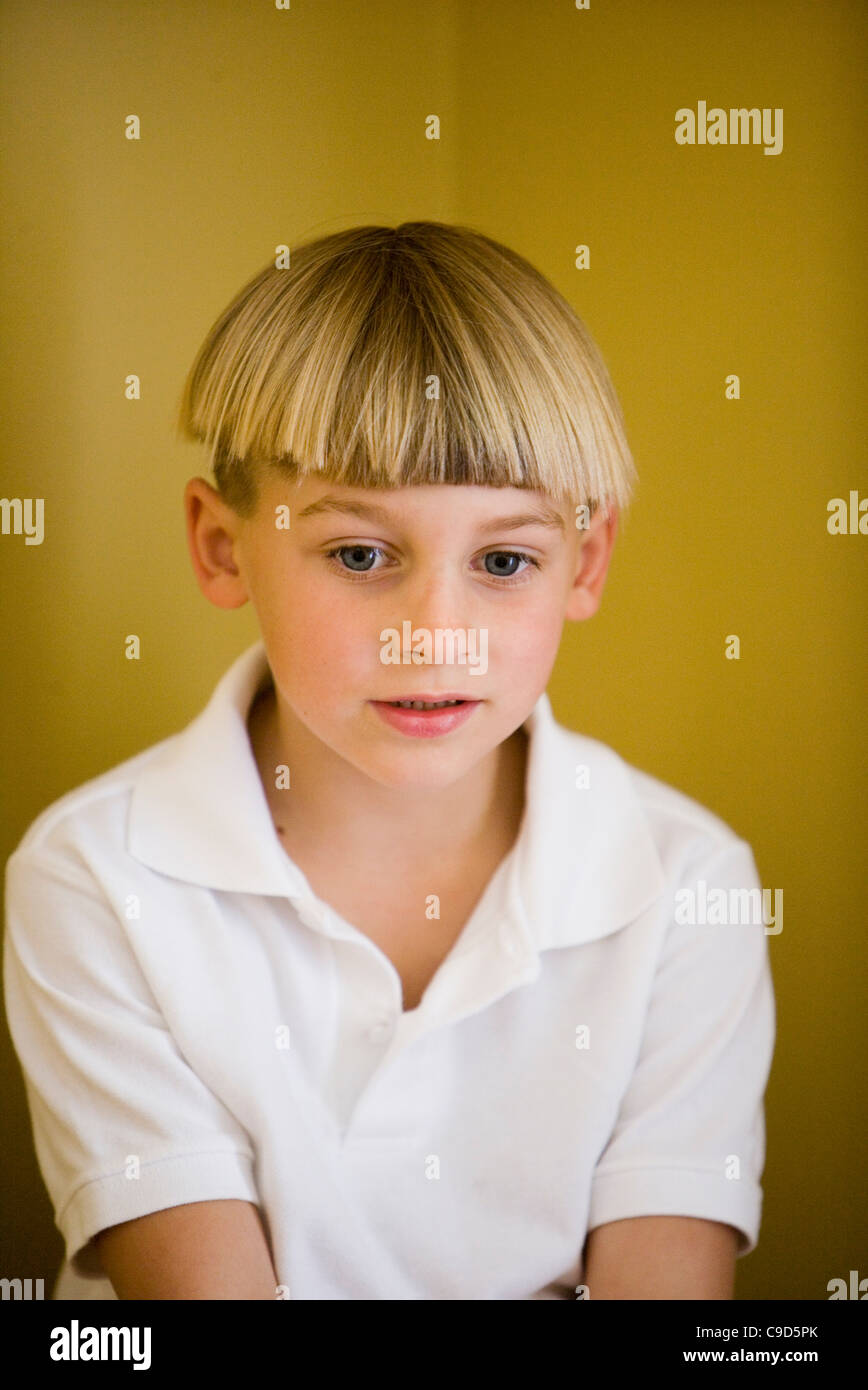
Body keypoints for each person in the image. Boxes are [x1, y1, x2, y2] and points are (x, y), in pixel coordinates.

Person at [3, 221, 775, 1300]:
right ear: (223, 547)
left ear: (586, 563)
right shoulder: (96, 874)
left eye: (504, 559)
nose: (436, 633)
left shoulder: (689, 884)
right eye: (360, 554)